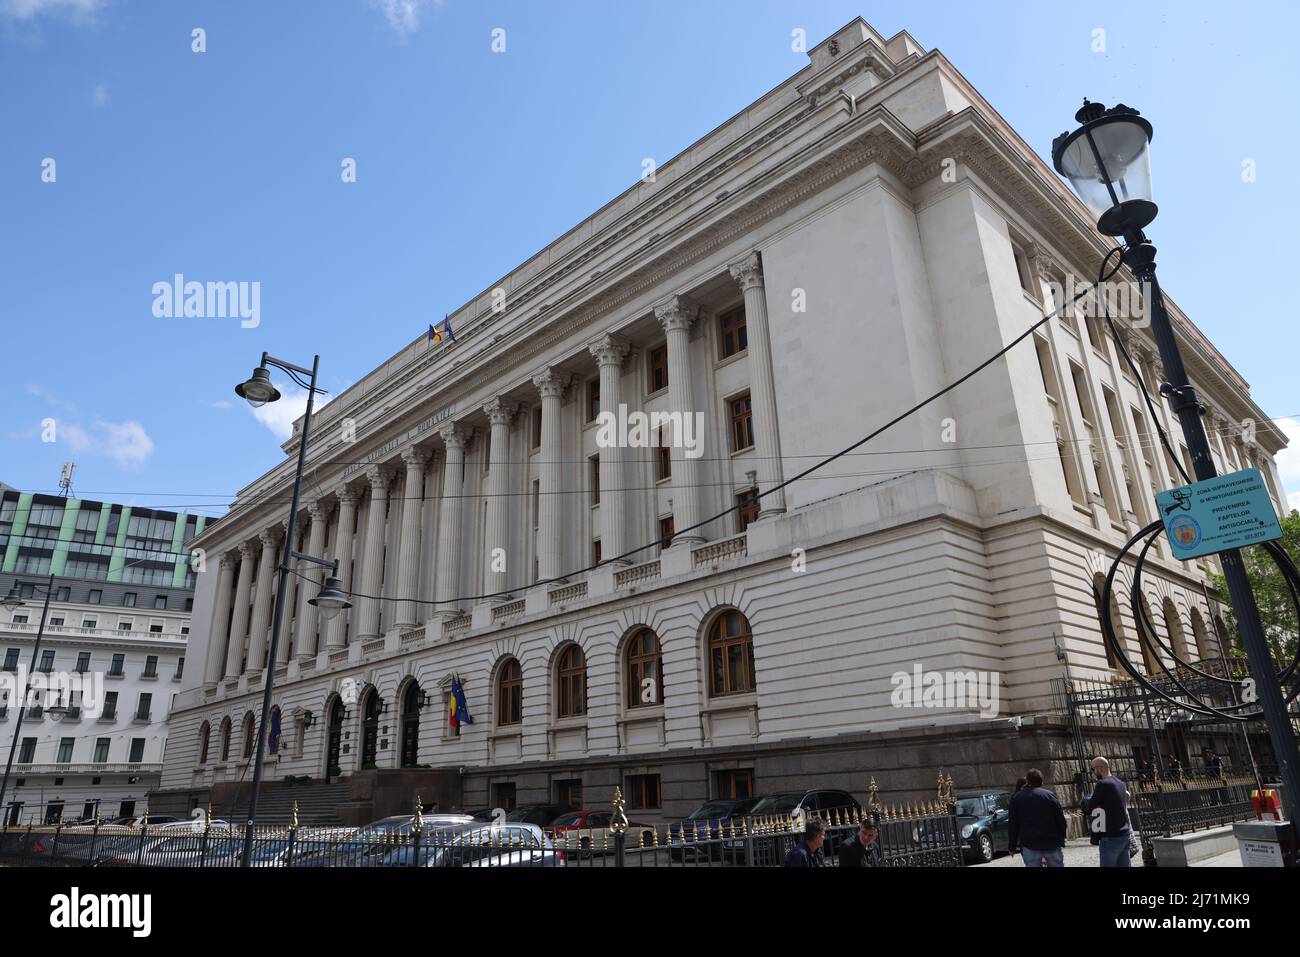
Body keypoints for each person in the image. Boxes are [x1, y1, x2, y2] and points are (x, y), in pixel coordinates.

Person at [1007, 768, 1067, 867]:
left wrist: (1012, 846)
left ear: (1027, 781)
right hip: (1051, 842)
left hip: (1030, 843)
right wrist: (1061, 838)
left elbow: (1013, 824)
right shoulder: (1049, 796)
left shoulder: (1016, 798)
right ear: (1042, 782)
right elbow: (1060, 820)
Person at [1082, 756, 1132, 867]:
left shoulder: (1102, 784)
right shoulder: (1120, 783)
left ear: (1099, 768)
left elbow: (1090, 807)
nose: (1094, 773)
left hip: (1111, 836)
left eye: (1093, 769)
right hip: (1125, 834)